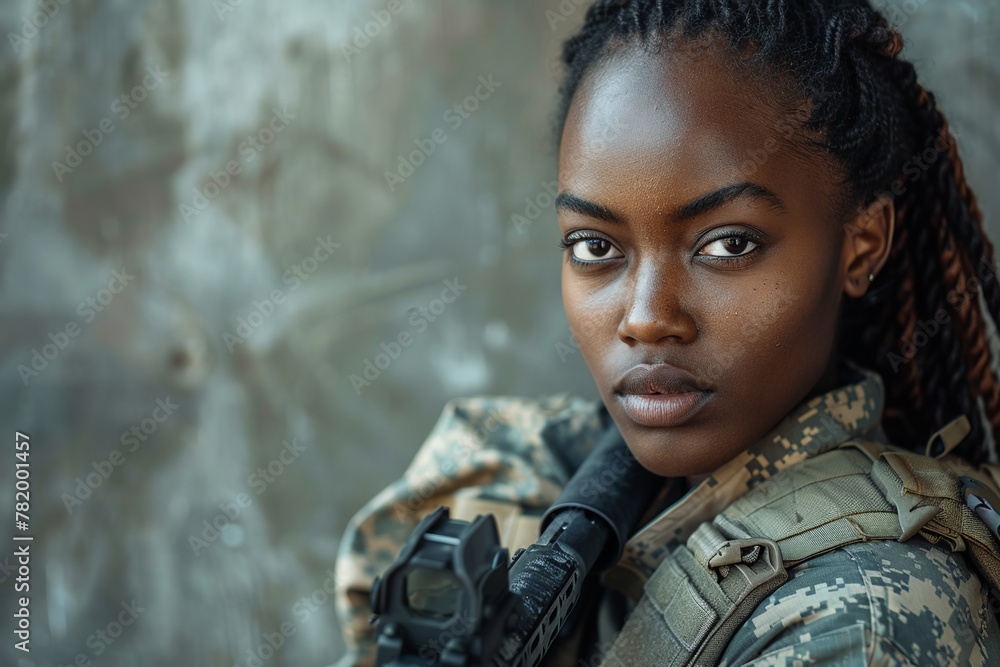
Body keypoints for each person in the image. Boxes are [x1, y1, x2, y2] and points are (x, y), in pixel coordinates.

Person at [333, 0, 1000, 664]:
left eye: (728, 243)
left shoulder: (866, 618)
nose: (647, 316)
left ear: (861, 245)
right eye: (595, 247)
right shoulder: (526, 472)